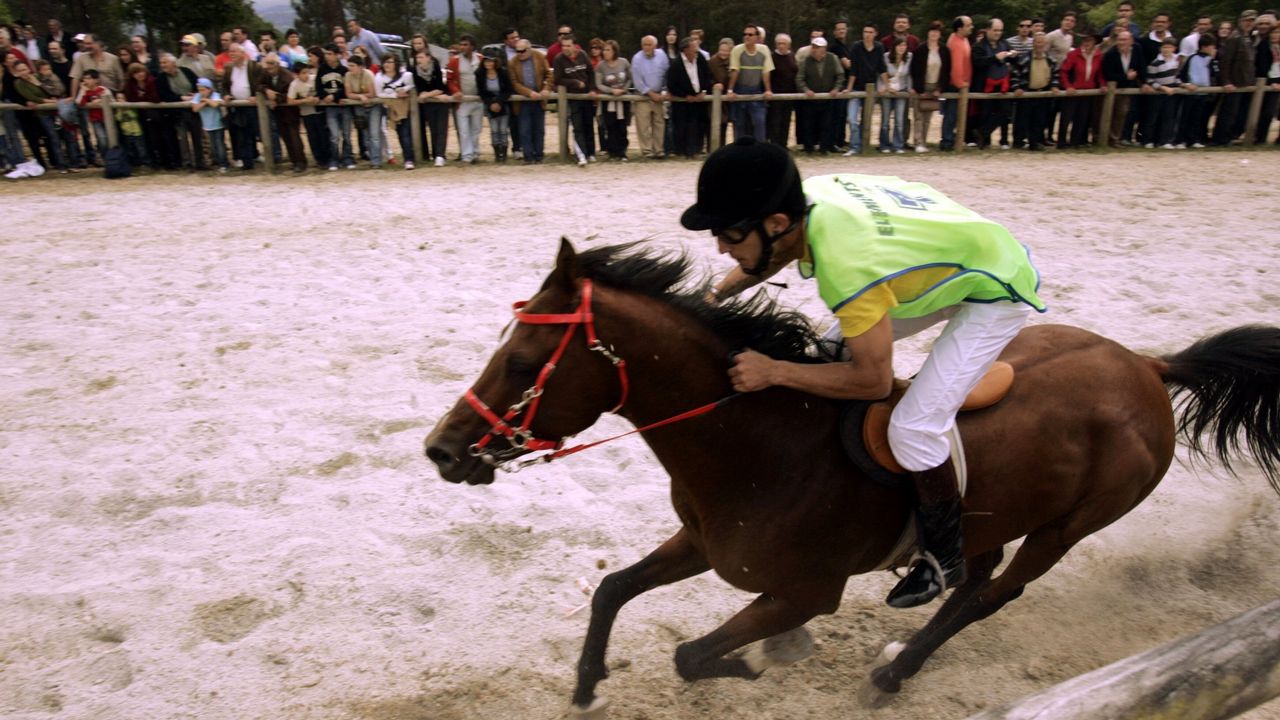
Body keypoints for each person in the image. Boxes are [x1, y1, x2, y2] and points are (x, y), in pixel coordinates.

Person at [682, 137, 1045, 610]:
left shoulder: (846, 267)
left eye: (729, 234)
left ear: (776, 222)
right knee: (826, 349)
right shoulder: (803, 202)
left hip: (994, 288)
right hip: (935, 259)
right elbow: (770, 254)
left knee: (914, 427)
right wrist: (711, 298)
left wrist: (775, 371)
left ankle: (943, 553)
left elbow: (872, 381)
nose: (720, 246)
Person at [553, 31, 597, 165]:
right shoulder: (559, 59)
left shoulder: (582, 55)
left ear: (574, 45)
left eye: (568, 45)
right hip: (572, 97)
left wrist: (592, 89)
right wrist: (574, 83)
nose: (565, 48)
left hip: (586, 96)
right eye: (563, 46)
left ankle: (591, 153)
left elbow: (590, 72)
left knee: (588, 124)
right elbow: (558, 79)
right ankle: (581, 155)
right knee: (577, 126)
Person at [1010, 32, 1060, 150]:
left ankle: (1035, 143)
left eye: (1042, 42)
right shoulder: (1024, 58)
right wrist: (1016, 87)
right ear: (1033, 43)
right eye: (1037, 42)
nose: (1039, 45)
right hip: (1027, 93)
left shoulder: (1051, 59)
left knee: (1039, 120)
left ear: (1046, 44)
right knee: (1022, 119)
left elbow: (1056, 75)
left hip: (1043, 93)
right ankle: (1018, 142)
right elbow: (1015, 73)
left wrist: (1054, 85)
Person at [1213, 11, 1257, 145]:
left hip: (1245, 82)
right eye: (1246, 20)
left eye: (1252, 20)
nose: (1249, 23)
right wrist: (1226, 81)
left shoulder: (1248, 38)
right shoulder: (1234, 38)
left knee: (1240, 113)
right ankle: (1221, 139)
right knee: (1228, 113)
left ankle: (1231, 137)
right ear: (1241, 21)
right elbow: (1225, 61)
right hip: (1234, 82)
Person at [843, 24, 887, 155]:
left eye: (870, 32)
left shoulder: (879, 47)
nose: (867, 34)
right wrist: (849, 88)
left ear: (875, 34)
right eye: (865, 31)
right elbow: (853, 69)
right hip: (857, 88)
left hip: (871, 89)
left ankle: (863, 146)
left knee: (866, 120)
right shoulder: (857, 47)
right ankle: (854, 147)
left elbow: (882, 67)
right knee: (852, 119)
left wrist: (887, 85)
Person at [795, 36, 844, 154]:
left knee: (826, 124)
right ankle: (809, 148)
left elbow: (840, 76)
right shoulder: (806, 60)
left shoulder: (833, 58)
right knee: (808, 125)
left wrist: (836, 89)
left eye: (817, 47)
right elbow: (799, 79)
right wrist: (806, 90)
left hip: (827, 99)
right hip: (810, 99)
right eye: (813, 47)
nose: (814, 49)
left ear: (824, 49)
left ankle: (824, 148)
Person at [973, 19, 1016, 149]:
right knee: (985, 114)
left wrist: (1013, 55)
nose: (998, 33)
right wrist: (995, 58)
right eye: (995, 30)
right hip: (985, 85)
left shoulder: (1004, 43)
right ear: (987, 30)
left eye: (1000, 30)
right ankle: (984, 142)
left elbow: (1010, 59)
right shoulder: (978, 46)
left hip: (1002, 85)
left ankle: (981, 133)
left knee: (1006, 111)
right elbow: (978, 63)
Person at [258, 52, 305, 171]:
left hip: (290, 110)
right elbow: (257, 84)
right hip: (278, 112)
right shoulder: (265, 73)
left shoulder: (287, 76)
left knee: (294, 136)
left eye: (271, 63)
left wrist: (276, 99)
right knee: (285, 137)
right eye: (267, 63)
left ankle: (300, 162)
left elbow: (290, 95)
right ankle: (294, 161)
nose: (268, 66)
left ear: (278, 64)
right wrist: (266, 90)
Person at [507, 39, 551, 164]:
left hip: (539, 99)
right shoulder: (512, 62)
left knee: (539, 129)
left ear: (529, 49)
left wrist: (546, 89)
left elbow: (549, 74)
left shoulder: (540, 57)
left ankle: (539, 156)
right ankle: (528, 156)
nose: (520, 53)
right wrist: (529, 93)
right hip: (523, 100)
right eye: (517, 51)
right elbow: (514, 83)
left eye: (522, 51)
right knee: (524, 129)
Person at [727, 24, 773, 141]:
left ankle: (760, 150)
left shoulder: (764, 50)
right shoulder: (737, 50)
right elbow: (735, 70)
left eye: (750, 34)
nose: (746, 37)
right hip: (740, 89)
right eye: (745, 34)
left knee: (759, 122)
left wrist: (768, 90)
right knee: (739, 124)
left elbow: (766, 72)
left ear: (757, 38)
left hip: (756, 90)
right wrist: (730, 90)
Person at [1058, 31, 1104, 147]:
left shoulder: (1098, 55)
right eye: (1084, 40)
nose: (1086, 43)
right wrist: (1068, 86)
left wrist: (1103, 85)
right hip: (1073, 91)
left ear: (1095, 42)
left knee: (1082, 118)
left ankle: (1076, 141)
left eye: (1089, 40)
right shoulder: (1074, 54)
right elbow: (1064, 72)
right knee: (1066, 118)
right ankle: (1061, 142)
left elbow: (1100, 74)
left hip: (1088, 91)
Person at [909, 21, 950, 152]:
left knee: (928, 117)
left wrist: (940, 88)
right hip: (922, 85)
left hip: (935, 85)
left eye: (937, 32)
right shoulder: (920, 50)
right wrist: (918, 89)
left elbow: (947, 70)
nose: (934, 34)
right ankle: (917, 142)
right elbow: (914, 70)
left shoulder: (944, 50)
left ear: (940, 34)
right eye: (932, 31)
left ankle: (924, 142)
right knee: (918, 116)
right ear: (928, 33)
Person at [219, 43, 260, 170]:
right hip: (236, 106)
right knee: (241, 134)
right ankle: (246, 162)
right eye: (230, 52)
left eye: (235, 51)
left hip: (252, 105)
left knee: (253, 133)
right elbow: (225, 86)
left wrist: (256, 96)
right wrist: (226, 95)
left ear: (243, 53)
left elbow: (261, 83)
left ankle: (256, 156)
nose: (231, 54)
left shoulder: (254, 67)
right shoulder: (229, 68)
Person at [156, 52, 201, 170]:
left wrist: (197, 94)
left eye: (165, 62)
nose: (162, 65)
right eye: (161, 63)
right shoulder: (161, 78)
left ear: (173, 63)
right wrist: (181, 98)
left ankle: (201, 163)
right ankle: (187, 163)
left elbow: (199, 84)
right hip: (176, 113)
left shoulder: (186, 71)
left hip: (194, 110)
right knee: (182, 139)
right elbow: (164, 95)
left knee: (198, 137)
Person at [668, 36, 710, 158]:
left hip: (699, 99)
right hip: (682, 101)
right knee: (681, 126)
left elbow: (707, 76)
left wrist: (704, 91)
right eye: (693, 48)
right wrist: (685, 96)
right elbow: (672, 85)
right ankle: (681, 152)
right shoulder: (676, 64)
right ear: (685, 50)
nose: (696, 51)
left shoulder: (700, 58)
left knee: (697, 126)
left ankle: (695, 151)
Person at [1102, 30, 1145, 147]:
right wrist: (1126, 77)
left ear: (1131, 40)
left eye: (1125, 40)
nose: (1122, 42)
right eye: (1120, 40)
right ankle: (1106, 140)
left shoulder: (1137, 50)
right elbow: (1107, 74)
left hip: (1127, 88)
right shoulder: (1111, 54)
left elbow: (1141, 66)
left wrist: (1144, 82)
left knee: (1122, 113)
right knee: (1109, 114)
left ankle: (1115, 139)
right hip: (1112, 88)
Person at [1177, 34, 1219, 148]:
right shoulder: (1191, 58)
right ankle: (1181, 140)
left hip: (1204, 93)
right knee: (1186, 117)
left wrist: (1213, 60)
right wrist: (1186, 85)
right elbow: (1182, 75)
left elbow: (1214, 74)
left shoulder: (1211, 60)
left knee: (1198, 118)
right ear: (1204, 46)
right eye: (1211, 46)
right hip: (1191, 93)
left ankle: (1194, 139)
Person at [448, 34, 485, 164]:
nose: (463, 47)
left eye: (466, 45)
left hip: (477, 100)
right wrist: (456, 91)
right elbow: (450, 80)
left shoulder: (480, 59)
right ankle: (466, 155)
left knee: (476, 129)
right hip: (462, 101)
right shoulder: (454, 61)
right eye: (461, 44)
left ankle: (475, 153)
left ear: (472, 46)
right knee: (463, 130)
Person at [317, 43, 354, 170]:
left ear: (337, 55)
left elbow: (347, 88)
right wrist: (324, 96)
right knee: (334, 136)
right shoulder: (322, 70)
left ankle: (348, 157)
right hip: (330, 108)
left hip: (343, 106)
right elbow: (319, 88)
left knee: (347, 134)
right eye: (326, 54)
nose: (327, 57)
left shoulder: (344, 71)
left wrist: (334, 96)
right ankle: (334, 159)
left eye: (330, 54)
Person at [631, 35, 669, 159]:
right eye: (644, 45)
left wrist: (663, 91)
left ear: (655, 46)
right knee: (643, 124)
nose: (646, 47)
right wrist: (651, 93)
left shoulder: (662, 56)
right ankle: (646, 150)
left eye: (649, 44)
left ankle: (659, 149)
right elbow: (637, 80)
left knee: (659, 123)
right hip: (643, 96)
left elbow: (666, 74)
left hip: (659, 95)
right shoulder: (637, 58)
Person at [1141, 37, 1183, 148]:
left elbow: (1176, 78)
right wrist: (1162, 88)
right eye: (1164, 47)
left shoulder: (1176, 62)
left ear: (1174, 48)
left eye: (1169, 47)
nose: (1166, 49)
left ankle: (1164, 141)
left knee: (1168, 117)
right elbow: (1150, 80)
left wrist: (1182, 84)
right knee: (1153, 117)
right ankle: (1148, 140)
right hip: (1157, 93)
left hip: (1170, 92)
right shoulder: (1155, 63)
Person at [940, 16, 973, 150]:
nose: (972, 27)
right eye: (969, 25)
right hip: (955, 85)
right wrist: (960, 83)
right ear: (960, 28)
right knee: (951, 115)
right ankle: (947, 141)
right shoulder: (956, 43)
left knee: (956, 115)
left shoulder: (964, 40)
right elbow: (956, 66)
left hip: (962, 85)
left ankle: (952, 139)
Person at [594, 39, 630, 161]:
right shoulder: (600, 66)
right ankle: (612, 152)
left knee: (622, 126)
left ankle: (622, 152)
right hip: (608, 101)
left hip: (622, 99)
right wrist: (611, 91)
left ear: (614, 51)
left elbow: (630, 78)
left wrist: (623, 90)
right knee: (610, 126)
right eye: (604, 50)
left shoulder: (624, 62)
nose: (605, 52)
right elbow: (599, 84)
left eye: (608, 50)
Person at [289, 62, 329, 168]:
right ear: (297, 74)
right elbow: (290, 101)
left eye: (307, 72)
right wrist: (305, 100)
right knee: (313, 137)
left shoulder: (315, 78)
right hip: (307, 113)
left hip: (319, 111)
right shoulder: (294, 84)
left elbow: (324, 90)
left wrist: (318, 98)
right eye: (303, 73)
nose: (306, 75)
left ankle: (327, 158)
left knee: (323, 135)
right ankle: (319, 159)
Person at [344, 54, 380, 167]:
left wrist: (359, 95)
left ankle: (376, 161)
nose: (350, 68)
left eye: (352, 65)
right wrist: (360, 97)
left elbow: (372, 93)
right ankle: (371, 158)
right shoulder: (348, 75)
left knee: (374, 134)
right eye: (349, 65)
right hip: (359, 106)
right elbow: (348, 94)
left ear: (360, 67)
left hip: (373, 106)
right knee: (365, 134)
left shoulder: (368, 74)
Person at [476, 52, 512, 163]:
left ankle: (504, 154)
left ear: (495, 62)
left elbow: (508, 90)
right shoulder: (480, 74)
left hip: (503, 104)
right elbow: (481, 92)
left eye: (491, 61)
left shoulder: (503, 73)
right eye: (486, 61)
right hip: (489, 105)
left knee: (503, 130)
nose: (488, 63)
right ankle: (497, 154)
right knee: (494, 130)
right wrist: (491, 104)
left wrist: (499, 102)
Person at [879, 37, 912, 153]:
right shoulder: (886, 57)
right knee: (885, 119)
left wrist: (909, 89)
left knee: (899, 119)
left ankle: (898, 145)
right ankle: (884, 144)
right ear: (894, 47)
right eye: (899, 45)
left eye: (904, 45)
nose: (901, 48)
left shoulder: (909, 57)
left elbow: (909, 75)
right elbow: (881, 73)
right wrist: (884, 88)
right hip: (887, 89)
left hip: (901, 91)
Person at [191, 77, 229, 171]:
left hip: (218, 124)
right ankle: (217, 161)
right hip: (207, 126)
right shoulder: (197, 96)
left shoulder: (215, 95)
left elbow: (215, 104)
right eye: (199, 90)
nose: (201, 92)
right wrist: (204, 102)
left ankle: (224, 164)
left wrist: (206, 100)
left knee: (220, 145)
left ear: (210, 89)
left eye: (203, 89)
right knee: (213, 146)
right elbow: (195, 109)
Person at [767, 33, 797, 147]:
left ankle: (783, 145)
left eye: (783, 43)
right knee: (775, 122)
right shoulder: (772, 57)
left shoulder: (792, 56)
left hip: (790, 95)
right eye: (779, 43)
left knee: (786, 121)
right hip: (775, 95)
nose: (781, 46)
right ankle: (775, 145)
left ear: (788, 45)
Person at [1256, 23, 1280, 144]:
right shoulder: (1264, 46)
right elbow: (1262, 66)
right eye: (1273, 32)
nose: (1275, 35)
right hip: (1268, 81)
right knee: (1267, 111)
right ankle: (1260, 138)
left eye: (1278, 33)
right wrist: (1272, 82)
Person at [708, 38, 733, 149]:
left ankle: (722, 147)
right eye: (721, 50)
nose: (723, 53)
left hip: (728, 98)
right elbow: (707, 77)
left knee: (725, 124)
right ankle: (712, 147)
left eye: (726, 50)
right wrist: (714, 84)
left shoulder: (733, 61)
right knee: (714, 122)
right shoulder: (712, 61)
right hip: (715, 98)